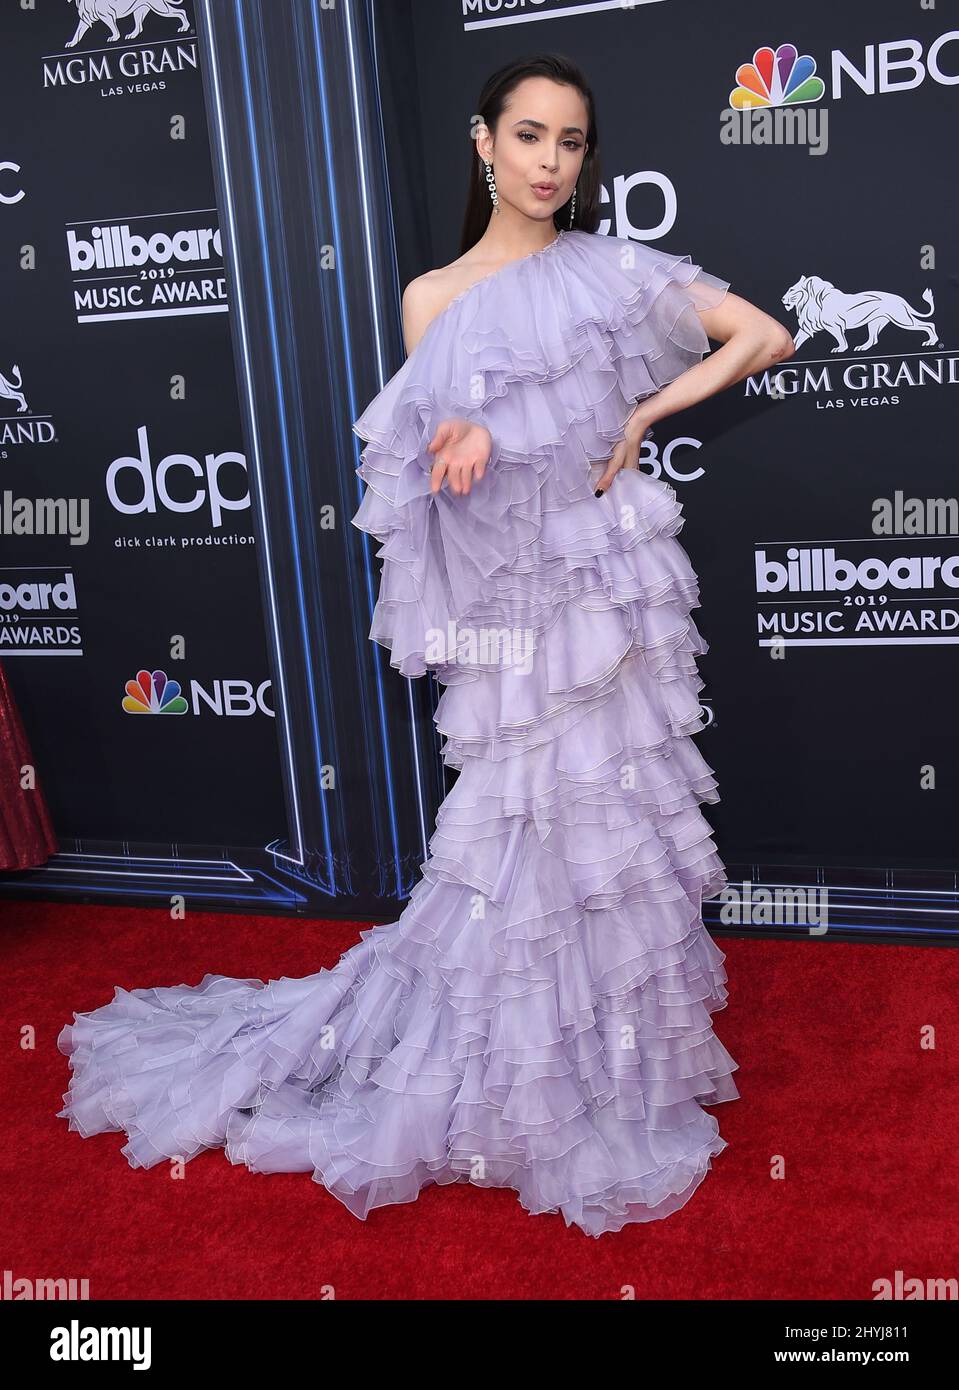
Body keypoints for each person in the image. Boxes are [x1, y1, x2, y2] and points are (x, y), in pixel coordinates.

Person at [57, 55, 794, 1238]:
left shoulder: (610, 270)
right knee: (517, 840)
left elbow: (765, 332)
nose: (551, 162)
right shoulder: (432, 297)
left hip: (606, 598)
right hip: (515, 619)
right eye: (529, 136)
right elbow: (423, 479)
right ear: (481, 144)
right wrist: (461, 455)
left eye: (570, 142)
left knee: (608, 840)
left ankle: (599, 1066)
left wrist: (648, 411)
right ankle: (511, 1074)